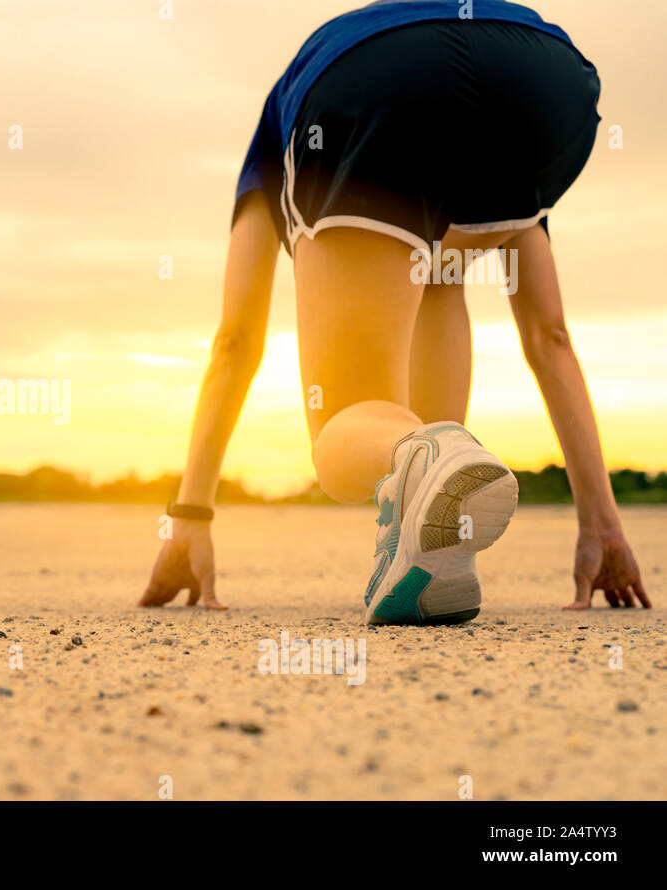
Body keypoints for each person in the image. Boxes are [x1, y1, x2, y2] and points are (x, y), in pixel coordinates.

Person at [141, 0, 650, 622]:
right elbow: (551, 336)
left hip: (368, 82)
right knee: (440, 272)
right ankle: (430, 538)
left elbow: (234, 340)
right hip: (546, 81)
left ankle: (422, 453)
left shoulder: (279, 125)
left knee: (339, 442)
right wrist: (604, 528)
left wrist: (189, 515)